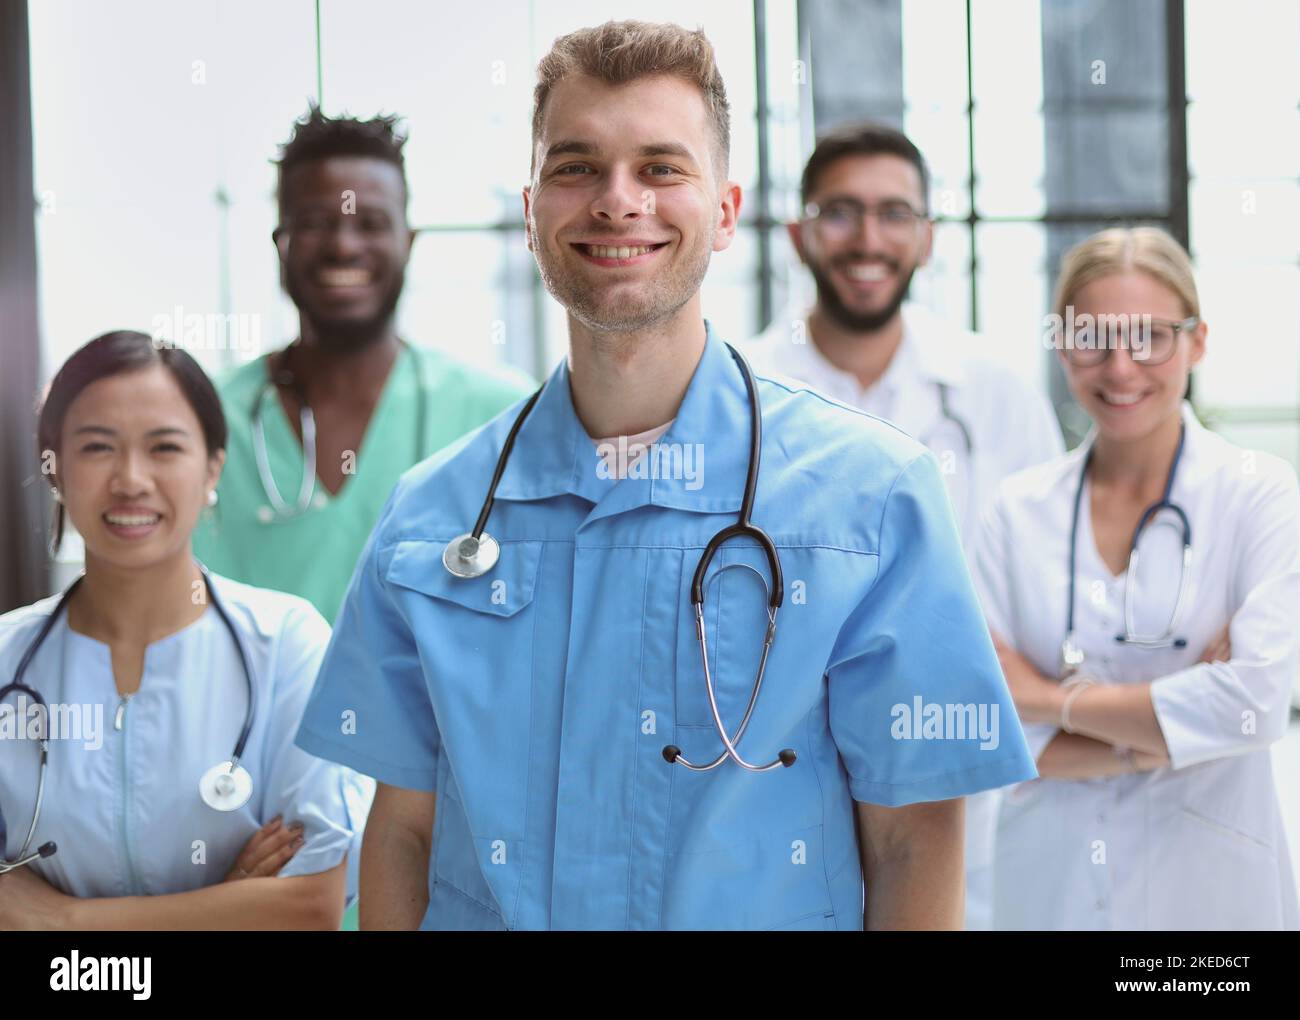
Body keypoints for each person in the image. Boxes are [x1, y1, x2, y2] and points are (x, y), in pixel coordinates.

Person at [295, 20, 1035, 931]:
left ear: (724, 212)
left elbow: (913, 842)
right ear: (532, 212)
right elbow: (403, 830)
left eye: (659, 168)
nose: (617, 202)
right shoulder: (433, 519)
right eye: (575, 168)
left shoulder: (869, 500)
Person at [743, 121, 1063, 929]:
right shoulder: (740, 395)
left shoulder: (995, 392)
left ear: (925, 238)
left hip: (959, 785)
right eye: (841, 212)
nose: (868, 238)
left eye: (894, 213)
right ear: (798, 234)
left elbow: (1048, 588)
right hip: (777, 776)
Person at [974, 227, 1300, 930]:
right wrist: (1169, 728)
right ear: (1062, 345)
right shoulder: (1016, 510)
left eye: (1149, 336)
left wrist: (1047, 698)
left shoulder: (1260, 495)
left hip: (1208, 898)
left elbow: (1254, 706)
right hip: (1049, 888)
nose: (1120, 368)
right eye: (1093, 337)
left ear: (1198, 341)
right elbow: (992, 730)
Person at [0, 331, 357, 930]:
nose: (131, 479)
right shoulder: (7, 659)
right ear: (53, 466)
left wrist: (56, 919)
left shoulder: (288, 646)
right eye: (97, 448)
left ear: (212, 466)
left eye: (164, 447)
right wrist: (225, 904)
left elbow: (311, 903)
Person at [192, 106, 532, 625]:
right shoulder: (203, 420)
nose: (343, 246)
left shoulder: (503, 415)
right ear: (280, 243)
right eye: (315, 224)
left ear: (409, 242)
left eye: (370, 223)